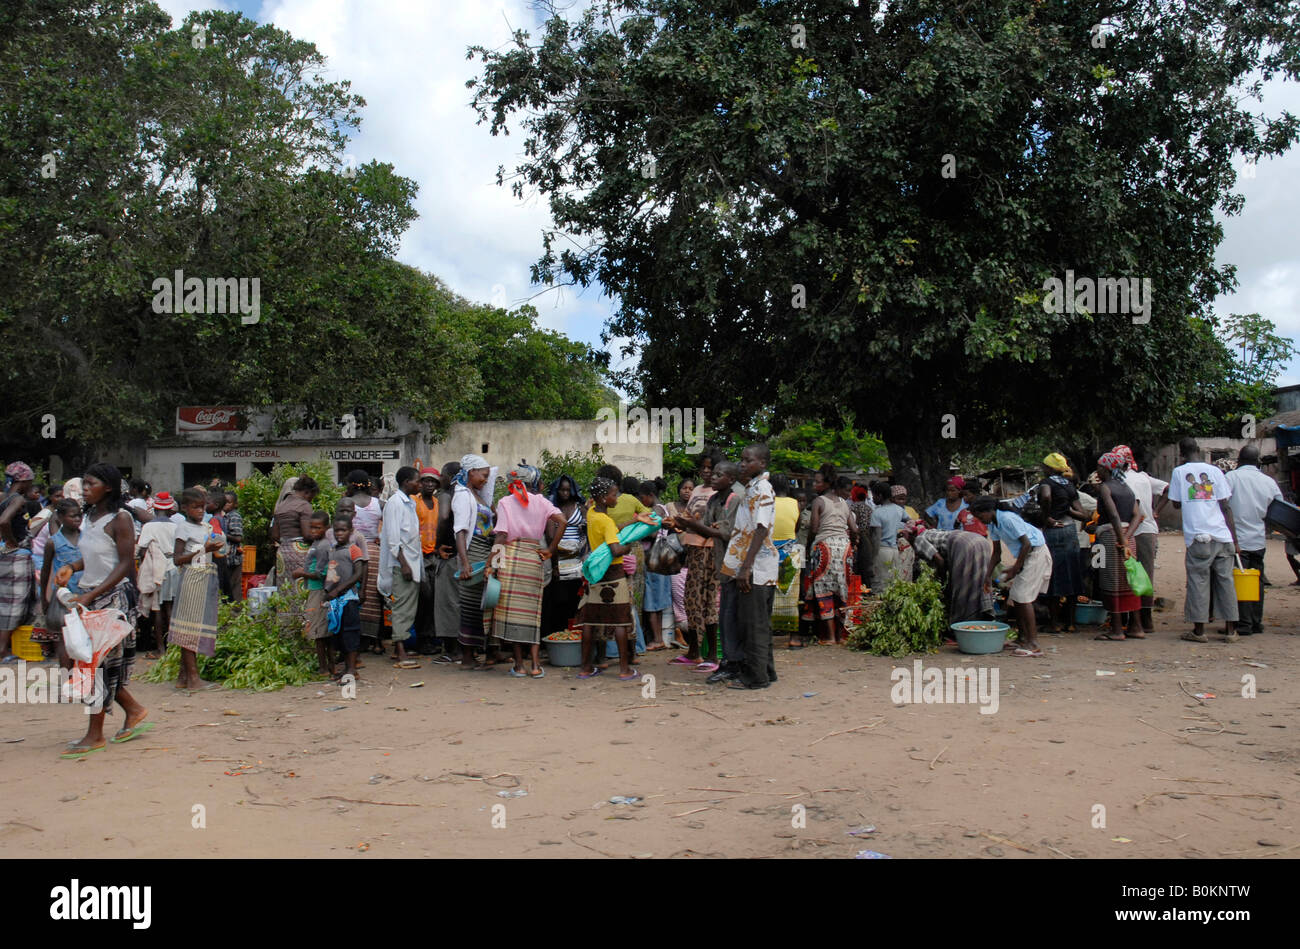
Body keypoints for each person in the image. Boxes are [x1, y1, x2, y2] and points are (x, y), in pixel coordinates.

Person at [53, 463, 148, 755]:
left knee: (96, 668)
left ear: (107, 486)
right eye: (84, 484)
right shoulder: (90, 517)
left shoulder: (121, 519)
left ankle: (95, 735)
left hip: (114, 600)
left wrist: (91, 593)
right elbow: (95, 556)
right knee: (90, 663)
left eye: (90, 483)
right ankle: (133, 709)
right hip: (92, 596)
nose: (84, 489)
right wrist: (71, 566)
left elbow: (124, 564)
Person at [489, 464, 564, 677]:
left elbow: (502, 536)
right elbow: (563, 521)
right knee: (533, 614)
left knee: (512, 614)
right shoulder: (541, 501)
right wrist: (551, 549)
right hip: (534, 557)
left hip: (511, 558)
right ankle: (536, 665)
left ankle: (519, 665)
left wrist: (489, 563)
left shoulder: (505, 502)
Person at [1163, 438, 1241, 643]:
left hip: (1198, 537)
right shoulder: (1215, 471)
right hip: (1222, 535)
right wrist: (1235, 540)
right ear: (1199, 450)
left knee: (1198, 581)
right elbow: (1226, 506)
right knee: (1226, 581)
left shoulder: (1179, 472)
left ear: (1181, 453)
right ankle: (1231, 630)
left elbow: (1176, 504)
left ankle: (1199, 632)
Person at [577, 476, 654, 680]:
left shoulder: (592, 513)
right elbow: (616, 549)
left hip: (596, 575)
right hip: (613, 575)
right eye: (613, 495)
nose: (617, 499)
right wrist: (629, 544)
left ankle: (585, 668)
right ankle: (624, 669)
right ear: (603, 498)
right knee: (621, 622)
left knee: (590, 622)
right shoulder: (607, 521)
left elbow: (612, 531)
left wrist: (635, 520)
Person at [721, 445, 779, 690]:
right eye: (742, 460)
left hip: (756, 567)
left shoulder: (762, 489)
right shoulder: (752, 488)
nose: (743, 464)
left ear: (762, 463)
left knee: (752, 623)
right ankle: (766, 671)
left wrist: (745, 567)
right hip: (755, 566)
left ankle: (756, 677)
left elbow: (761, 528)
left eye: (749, 460)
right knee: (760, 622)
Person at [972, 496, 1052, 656]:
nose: (981, 521)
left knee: (1023, 597)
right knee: (1015, 597)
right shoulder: (994, 525)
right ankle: (1022, 638)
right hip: (1027, 556)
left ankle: (1033, 643)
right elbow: (997, 554)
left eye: (980, 517)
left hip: (1035, 554)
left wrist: (1015, 568)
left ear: (989, 511)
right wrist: (987, 576)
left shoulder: (1008, 519)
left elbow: (1027, 543)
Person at [170, 487, 225, 690]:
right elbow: (177, 559)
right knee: (189, 629)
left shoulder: (205, 526)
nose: (200, 511)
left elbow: (210, 552)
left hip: (205, 576)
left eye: (202, 507)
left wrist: (217, 549)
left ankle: (183, 677)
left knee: (195, 627)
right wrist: (205, 549)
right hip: (191, 577)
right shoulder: (183, 528)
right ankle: (193, 679)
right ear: (185, 508)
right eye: (195, 507)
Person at [672, 449, 724, 665]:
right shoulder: (698, 490)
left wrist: (688, 523)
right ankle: (694, 651)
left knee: (709, 601)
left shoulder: (721, 494)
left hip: (710, 551)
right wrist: (676, 522)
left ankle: (712, 654)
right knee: (691, 600)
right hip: (693, 551)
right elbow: (688, 517)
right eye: (702, 467)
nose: (705, 471)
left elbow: (716, 527)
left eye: (709, 468)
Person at [1224, 444, 1280, 636]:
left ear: (1239, 460)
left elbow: (1222, 504)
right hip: (1258, 540)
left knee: (1240, 581)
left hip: (1237, 540)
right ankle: (1256, 622)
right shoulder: (1269, 482)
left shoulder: (1231, 478)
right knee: (1257, 581)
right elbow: (1278, 510)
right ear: (1257, 462)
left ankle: (1244, 623)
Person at [1110, 445, 1166, 634]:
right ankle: (1146, 620)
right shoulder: (1144, 477)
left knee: (1127, 575)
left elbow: (1135, 511)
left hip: (1130, 531)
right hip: (1148, 531)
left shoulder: (1121, 480)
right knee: (1145, 574)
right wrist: (1156, 510)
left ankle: (1133, 621)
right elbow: (1168, 488)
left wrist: (1123, 537)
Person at [901, 520, 993, 631]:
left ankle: (962, 624)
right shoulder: (931, 532)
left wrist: (942, 580)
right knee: (979, 580)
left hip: (962, 545)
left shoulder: (918, 540)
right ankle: (981, 619)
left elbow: (939, 560)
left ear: (911, 535)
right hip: (980, 541)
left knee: (961, 587)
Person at [1092, 452, 1146, 641]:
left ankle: (1116, 629)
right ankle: (1136, 626)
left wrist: (1120, 540)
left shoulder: (1106, 488)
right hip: (1128, 538)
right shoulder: (1127, 488)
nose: (1097, 470)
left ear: (1107, 468)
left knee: (1111, 581)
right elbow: (1137, 516)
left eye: (1099, 466)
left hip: (1111, 538)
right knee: (1131, 580)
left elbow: (1113, 515)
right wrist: (1127, 537)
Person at [802, 463, 858, 644]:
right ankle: (843, 635)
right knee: (842, 589)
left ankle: (829, 637)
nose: (814, 485)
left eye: (817, 482)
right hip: (844, 549)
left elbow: (814, 528)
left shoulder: (819, 501)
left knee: (822, 589)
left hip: (824, 548)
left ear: (826, 483)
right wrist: (853, 542)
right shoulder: (844, 503)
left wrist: (809, 546)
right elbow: (854, 528)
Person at [694, 461, 740, 677]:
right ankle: (728, 661)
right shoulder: (713, 500)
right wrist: (687, 525)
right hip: (721, 563)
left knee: (731, 615)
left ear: (731, 479)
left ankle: (733, 662)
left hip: (736, 565)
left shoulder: (734, 500)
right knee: (725, 615)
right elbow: (707, 529)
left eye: (718, 474)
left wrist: (695, 526)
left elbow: (726, 532)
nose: (712, 477)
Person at [453, 455, 497, 669]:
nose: (486, 480)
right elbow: (460, 531)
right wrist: (465, 562)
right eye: (484, 475)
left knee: (483, 603)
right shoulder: (462, 495)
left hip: (485, 551)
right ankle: (467, 657)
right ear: (472, 472)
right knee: (470, 604)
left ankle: (479, 652)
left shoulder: (478, 496)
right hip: (473, 552)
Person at [1035, 453, 1086, 633]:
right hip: (1070, 531)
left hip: (1054, 533)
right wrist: (1067, 511)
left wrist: (1046, 517)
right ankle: (1071, 623)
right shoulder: (1070, 485)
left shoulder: (1046, 484)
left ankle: (1054, 623)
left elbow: (1047, 497)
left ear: (1048, 469)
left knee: (1053, 576)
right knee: (1072, 576)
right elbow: (1083, 514)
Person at [378, 466, 422, 664]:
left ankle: (400, 647)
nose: (419, 484)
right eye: (417, 481)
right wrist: (404, 564)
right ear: (406, 482)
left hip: (413, 562)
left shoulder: (409, 503)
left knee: (409, 607)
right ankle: (400, 649)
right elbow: (394, 540)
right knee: (402, 607)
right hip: (401, 564)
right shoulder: (395, 503)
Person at [541, 474, 588, 644]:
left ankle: (573, 638)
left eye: (568, 490)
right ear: (557, 490)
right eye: (562, 490)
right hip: (557, 560)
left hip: (577, 561)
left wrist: (585, 557)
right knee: (558, 601)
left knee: (575, 600)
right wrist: (553, 564)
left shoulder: (580, 508)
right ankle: (557, 638)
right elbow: (549, 536)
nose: (565, 493)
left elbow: (587, 535)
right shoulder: (552, 508)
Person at [0, 461, 37, 662]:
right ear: (22, 481)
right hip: (16, 555)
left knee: (5, 601)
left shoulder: (3, 497)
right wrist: (12, 542)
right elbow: (4, 521)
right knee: (14, 603)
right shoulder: (17, 500)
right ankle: (3, 649)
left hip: (6, 555)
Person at [134, 493, 178, 658]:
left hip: (156, 570)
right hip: (173, 567)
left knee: (156, 610)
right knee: (171, 608)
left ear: (155, 508)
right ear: (170, 510)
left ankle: (160, 649)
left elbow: (142, 550)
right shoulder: (175, 526)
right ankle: (174, 648)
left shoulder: (148, 527)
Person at [37, 498, 84, 654]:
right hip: (64, 595)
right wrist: (44, 597)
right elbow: (45, 571)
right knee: (64, 636)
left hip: (85, 593)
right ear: (61, 517)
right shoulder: (53, 542)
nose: (77, 519)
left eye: (79, 515)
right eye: (73, 516)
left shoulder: (87, 539)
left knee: (84, 634)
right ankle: (66, 672)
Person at [324, 513, 366, 683]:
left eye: (343, 530)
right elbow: (332, 572)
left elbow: (358, 573)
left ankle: (352, 669)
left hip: (348, 598)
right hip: (335, 601)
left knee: (350, 633)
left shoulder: (353, 549)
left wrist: (340, 589)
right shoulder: (333, 550)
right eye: (336, 530)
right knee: (339, 634)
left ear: (350, 531)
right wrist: (328, 591)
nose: (339, 533)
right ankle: (346, 669)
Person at [637, 479, 675, 651]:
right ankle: (658, 637)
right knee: (658, 600)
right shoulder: (664, 508)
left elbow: (652, 534)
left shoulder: (656, 510)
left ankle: (657, 639)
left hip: (653, 559)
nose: (640, 501)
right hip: (662, 559)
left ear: (650, 496)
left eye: (642, 497)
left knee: (651, 601)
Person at [295, 512, 334, 673]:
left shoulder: (324, 545)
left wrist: (301, 574)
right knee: (321, 630)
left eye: (317, 528)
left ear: (326, 528)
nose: (313, 531)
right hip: (314, 589)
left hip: (319, 590)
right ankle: (327, 665)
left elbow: (321, 573)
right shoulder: (317, 543)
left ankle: (325, 667)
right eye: (311, 527)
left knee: (319, 631)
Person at [430, 461, 462, 662]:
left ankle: (452, 651)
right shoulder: (468, 494)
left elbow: (443, 517)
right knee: (461, 602)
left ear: (449, 476)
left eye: (442, 475)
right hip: (465, 554)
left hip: (449, 554)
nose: (439, 479)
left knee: (447, 602)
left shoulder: (447, 494)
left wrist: (436, 545)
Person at [270, 474, 319, 597]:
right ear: (307, 492)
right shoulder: (304, 506)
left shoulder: (281, 506)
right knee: (300, 590)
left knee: (285, 589)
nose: (311, 500)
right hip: (300, 551)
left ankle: (285, 616)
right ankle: (300, 616)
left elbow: (275, 535)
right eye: (312, 497)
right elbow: (307, 534)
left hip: (283, 552)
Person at [770, 474, 803, 640]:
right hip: (791, 553)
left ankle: (767, 634)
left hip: (769, 554)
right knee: (791, 595)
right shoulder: (795, 503)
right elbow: (797, 527)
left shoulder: (767, 503)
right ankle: (794, 638)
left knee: (769, 596)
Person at [414, 466, 441, 654]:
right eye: (426, 481)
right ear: (420, 483)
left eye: (433, 481)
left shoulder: (438, 503)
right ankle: (422, 639)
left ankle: (430, 638)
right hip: (418, 556)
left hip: (434, 556)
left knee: (433, 600)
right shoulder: (413, 502)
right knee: (424, 598)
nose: (429, 484)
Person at [868, 481, 908, 593]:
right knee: (894, 584)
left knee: (880, 585)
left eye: (874, 495)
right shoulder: (899, 510)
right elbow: (910, 521)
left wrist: (873, 560)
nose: (872, 499)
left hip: (882, 551)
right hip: (895, 551)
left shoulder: (877, 513)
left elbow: (876, 538)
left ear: (880, 496)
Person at [345, 469, 384, 539]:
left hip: (350, 546)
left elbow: (338, 525)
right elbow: (390, 526)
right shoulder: (380, 503)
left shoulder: (345, 503)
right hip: (373, 547)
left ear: (351, 484)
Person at [223, 492, 244, 601]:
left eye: (229, 502)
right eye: (224, 502)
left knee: (235, 585)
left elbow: (238, 538)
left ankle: (237, 610)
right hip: (227, 557)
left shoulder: (234, 516)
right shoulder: (225, 516)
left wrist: (223, 535)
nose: (226, 504)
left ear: (235, 504)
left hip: (234, 557)